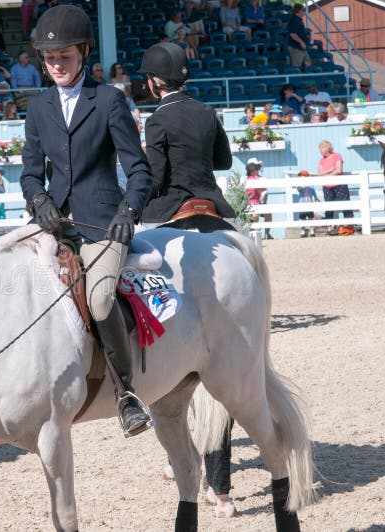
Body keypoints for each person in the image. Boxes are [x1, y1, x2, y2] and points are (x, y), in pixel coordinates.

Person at [22, 5, 155, 437]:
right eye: (50, 57)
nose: (57, 64)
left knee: (98, 300)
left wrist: (128, 212)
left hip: (103, 223)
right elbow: (29, 173)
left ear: (82, 53)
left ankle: (127, 394)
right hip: (55, 224)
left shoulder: (109, 100)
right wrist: (37, 198)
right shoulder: (38, 107)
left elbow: (139, 171)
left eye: (65, 55)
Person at [138, 42, 236, 228]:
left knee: (134, 248)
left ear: (155, 82)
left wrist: (133, 197)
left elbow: (157, 179)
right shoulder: (208, 111)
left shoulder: (156, 120)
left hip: (169, 206)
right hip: (214, 203)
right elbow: (225, 162)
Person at [317, 139, 353, 235]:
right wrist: (330, 170)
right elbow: (319, 173)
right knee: (328, 207)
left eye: (322, 148)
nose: (320, 150)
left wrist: (327, 174)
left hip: (339, 184)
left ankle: (349, 226)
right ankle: (329, 229)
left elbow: (339, 170)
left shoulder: (337, 156)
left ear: (328, 148)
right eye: (320, 148)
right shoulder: (321, 160)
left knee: (345, 204)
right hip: (327, 186)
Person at [245, 161, 272, 239]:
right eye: (256, 169)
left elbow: (263, 190)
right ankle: (256, 235)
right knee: (254, 217)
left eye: (257, 169)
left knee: (266, 214)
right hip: (252, 202)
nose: (257, 171)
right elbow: (256, 192)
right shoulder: (251, 179)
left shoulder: (256, 179)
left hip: (257, 202)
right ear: (251, 171)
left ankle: (266, 234)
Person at [287, 4, 312, 70]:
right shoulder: (294, 20)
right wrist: (301, 42)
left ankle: (307, 79)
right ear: (298, 11)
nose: (304, 12)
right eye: (303, 10)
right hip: (296, 47)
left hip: (301, 47)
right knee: (296, 66)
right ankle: (295, 80)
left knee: (308, 63)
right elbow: (292, 34)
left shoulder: (299, 20)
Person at [296, 170, 318, 237]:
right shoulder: (299, 184)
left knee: (311, 217)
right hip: (302, 204)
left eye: (302, 176)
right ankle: (303, 231)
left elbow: (314, 192)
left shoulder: (311, 185)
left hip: (309, 203)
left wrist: (316, 198)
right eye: (300, 176)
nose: (300, 177)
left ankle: (311, 231)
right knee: (303, 218)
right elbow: (298, 189)